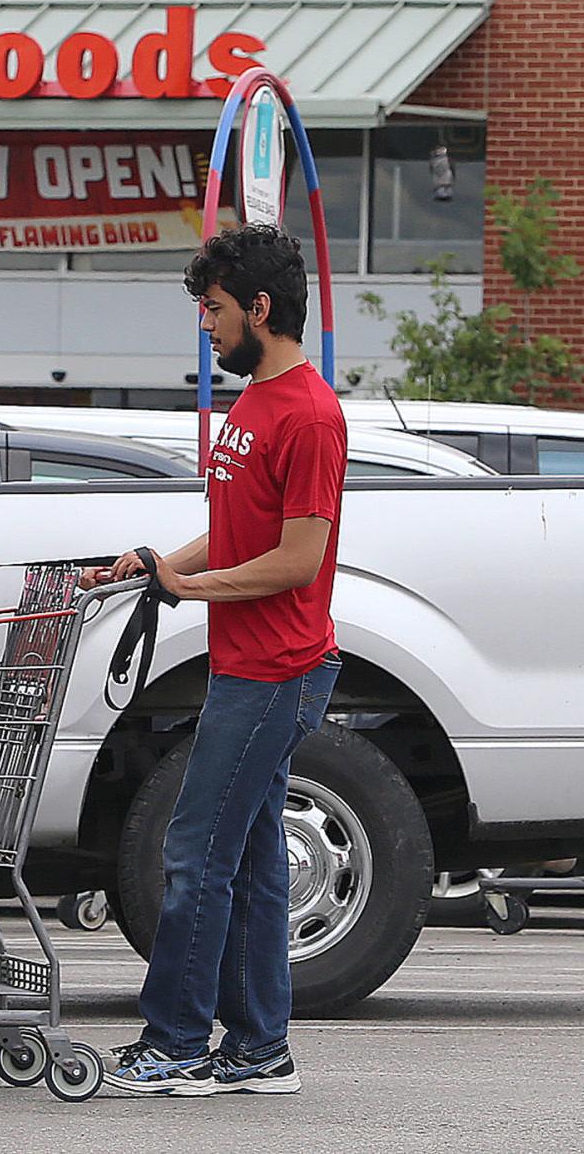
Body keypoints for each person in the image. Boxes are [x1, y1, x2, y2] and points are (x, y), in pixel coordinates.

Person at [87, 223, 347, 1097]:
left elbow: (300, 559)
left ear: (259, 309)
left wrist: (185, 590)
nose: (206, 324)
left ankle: (175, 1044)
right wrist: (164, 562)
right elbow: (244, 532)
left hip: (275, 671)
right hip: (253, 663)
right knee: (255, 859)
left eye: (215, 308)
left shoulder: (308, 414)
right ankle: (259, 1050)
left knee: (195, 852)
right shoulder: (255, 405)